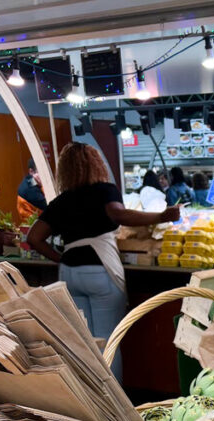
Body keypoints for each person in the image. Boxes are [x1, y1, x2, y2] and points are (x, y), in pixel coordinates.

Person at [26, 142, 180, 380]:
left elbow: (33, 237)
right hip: (100, 271)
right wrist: (161, 215)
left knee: (86, 345)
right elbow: (118, 214)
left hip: (69, 274)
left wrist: (60, 258)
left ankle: (95, 405)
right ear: (96, 164)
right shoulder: (104, 190)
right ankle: (114, 408)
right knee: (109, 342)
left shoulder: (61, 201)